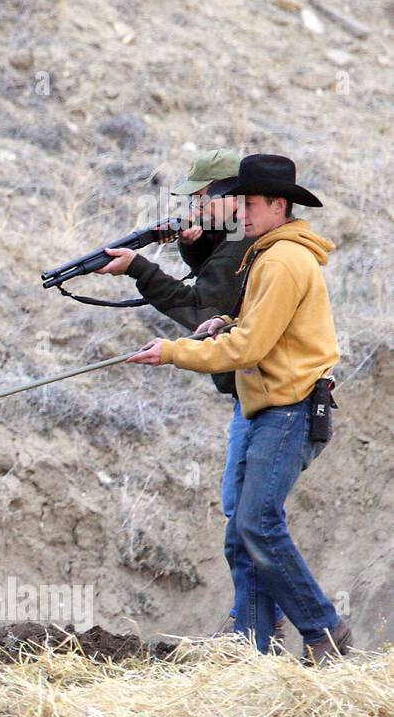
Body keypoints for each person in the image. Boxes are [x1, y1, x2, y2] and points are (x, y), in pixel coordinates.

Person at [127, 154, 350, 663]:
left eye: (248, 202)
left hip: (288, 408)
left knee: (257, 524)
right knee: (243, 529)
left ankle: (323, 627)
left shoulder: (282, 260)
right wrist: (222, 322)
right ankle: (253, 645)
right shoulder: (265, 254)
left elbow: (248, 350)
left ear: (277, 204)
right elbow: (249, 332)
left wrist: (173, 352)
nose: (239, 212)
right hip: (266, 406)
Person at [95, 149, 284, 639]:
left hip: (268, 396)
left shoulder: (250, 245)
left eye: (202, 199)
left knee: (251, 523)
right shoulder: (237, 241)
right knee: (245, 520)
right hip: (255, 393)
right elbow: (216, 288)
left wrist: (140, 267)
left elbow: (201, 313)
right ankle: (255, 633)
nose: (194, 208)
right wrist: (192, 248)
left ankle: (268, 631)